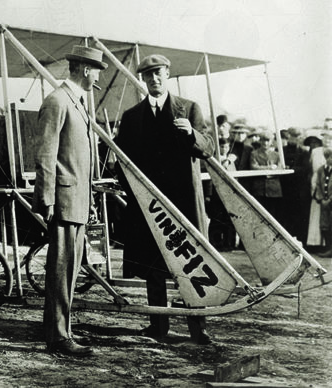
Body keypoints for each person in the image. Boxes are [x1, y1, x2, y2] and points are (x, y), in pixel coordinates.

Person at [114, 54, 215, 345]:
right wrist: (135, 194)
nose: (153, 79)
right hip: (150, 207)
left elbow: (208, 147)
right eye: (147, 75)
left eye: (158, 73)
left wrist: (191, 133)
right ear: (143, 80)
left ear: (167, 74)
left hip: (183, 204)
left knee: (191, 265)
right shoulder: (132, 117)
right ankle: (158, 326)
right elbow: (121, 161)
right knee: (154, 266)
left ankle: (199, 328)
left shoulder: (189, 108)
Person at [32, 45, 106, 357]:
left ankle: (61, 330)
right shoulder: (57, 101)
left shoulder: (77, 102)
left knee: (70, 272)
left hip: (77, 200)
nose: (98, 77)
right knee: (61, 273)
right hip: (62, 201)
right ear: (86, 69)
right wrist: (46, 199)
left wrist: (89, 201)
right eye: (97, 71)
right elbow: (46, 154)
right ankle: (58, 336)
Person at [249, 133, 283, 218]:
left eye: (268, 141)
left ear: (271, 142)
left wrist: (273, 170)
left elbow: (280, 168)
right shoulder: (254, 154)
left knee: (273, 215)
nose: (265, 143)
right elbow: (254, 167)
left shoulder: (277, 154)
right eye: (263, 140)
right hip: (259, 188)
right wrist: (270, 168)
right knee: (258, 215)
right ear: (260, 141)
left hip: (274, 189)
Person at [312, 148, 332, 256]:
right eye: (330, 157)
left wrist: (329, 199)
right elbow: (318, 185)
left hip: (330, 201)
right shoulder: (321, 170)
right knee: (324, 225)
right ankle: (328, 248)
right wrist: (321, 198)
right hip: (324, 202)